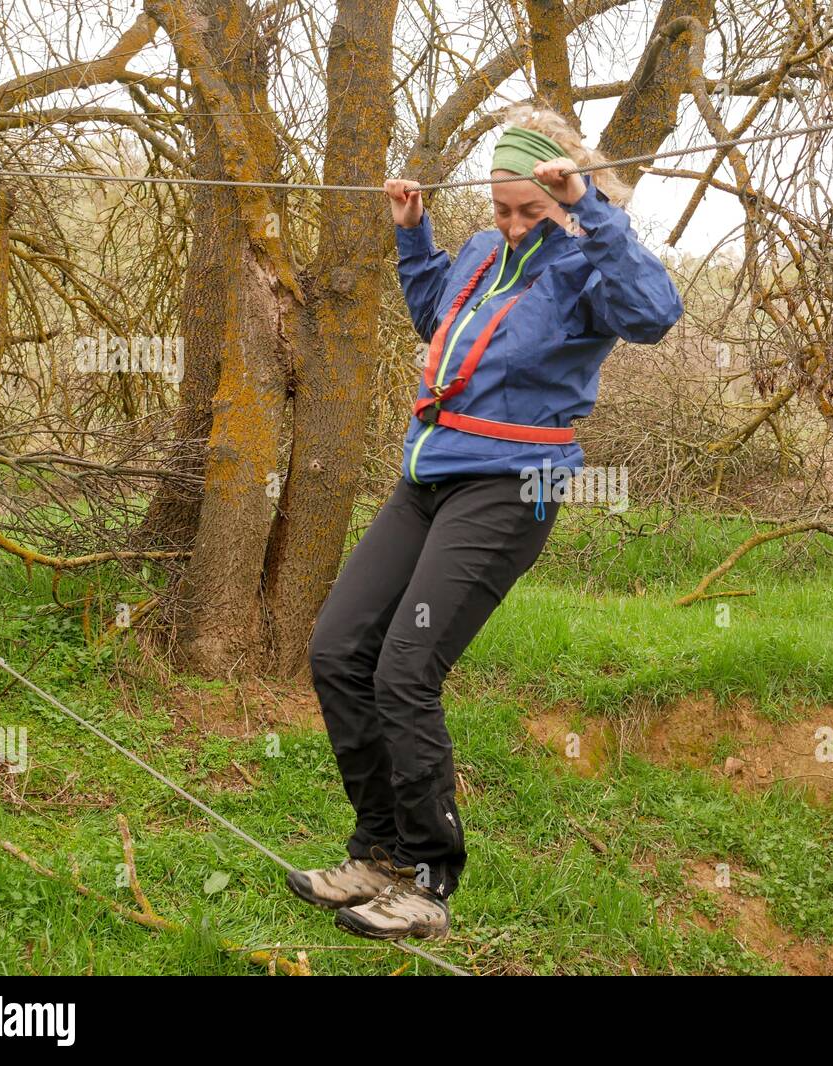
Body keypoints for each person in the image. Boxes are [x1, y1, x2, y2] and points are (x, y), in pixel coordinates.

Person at [288, 104, 683, 941]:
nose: (509, 225)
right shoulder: (481, 248)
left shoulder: (585, 262)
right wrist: (414, 236)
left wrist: (590, 214)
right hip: (429, 477)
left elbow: (655, 313)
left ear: (561, 196)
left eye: (526, 211)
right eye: (499, 208)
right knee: (336, 649)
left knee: (404, 669)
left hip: (512, 488)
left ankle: (428, 881)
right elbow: (441, 319)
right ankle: (378, 853)